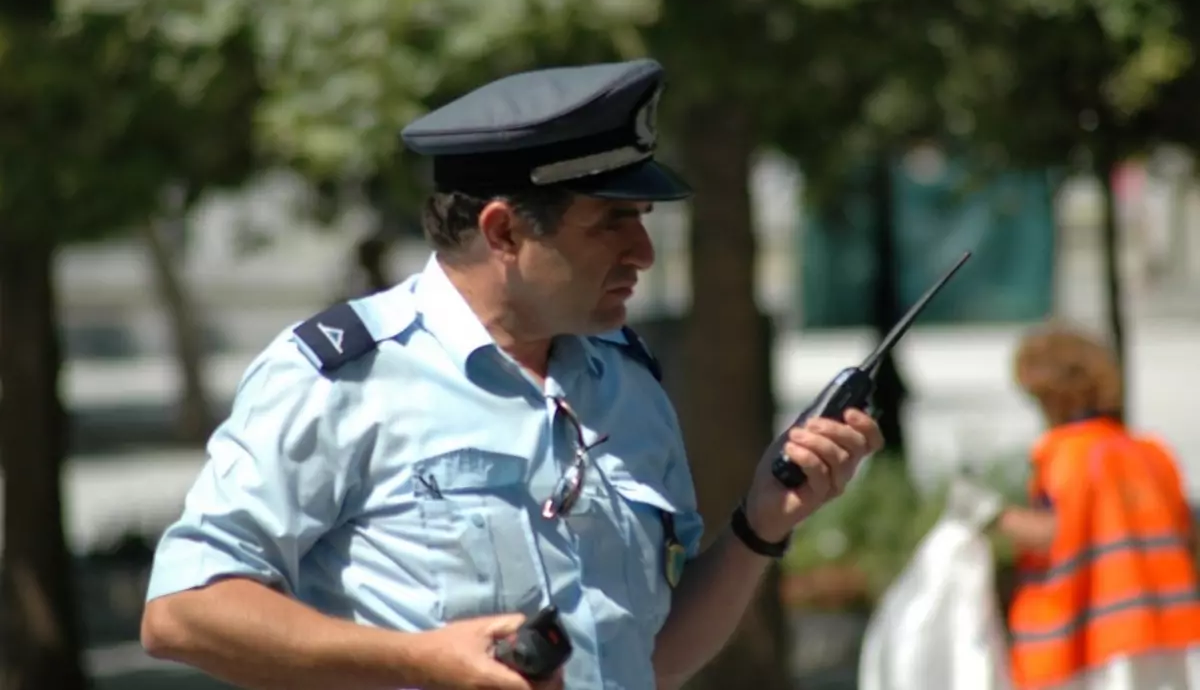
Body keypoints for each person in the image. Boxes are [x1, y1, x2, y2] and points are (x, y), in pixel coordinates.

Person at [139, 58, 883, 690]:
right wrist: (417, 661)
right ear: (503, 231)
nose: (644, 253)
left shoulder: (627, 383)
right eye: (610, 223)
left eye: (645, 219)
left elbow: (647, 657)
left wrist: (760, 526)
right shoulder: (344, 377)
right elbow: (181, 611)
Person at [955, 322, 1200, 689]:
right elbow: (1186, 536)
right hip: (1171, 636)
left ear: (1052, 396)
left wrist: (989, 513)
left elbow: (1054, 533)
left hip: (1093, 642)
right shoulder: (1151, 453)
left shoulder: (1068, 454)